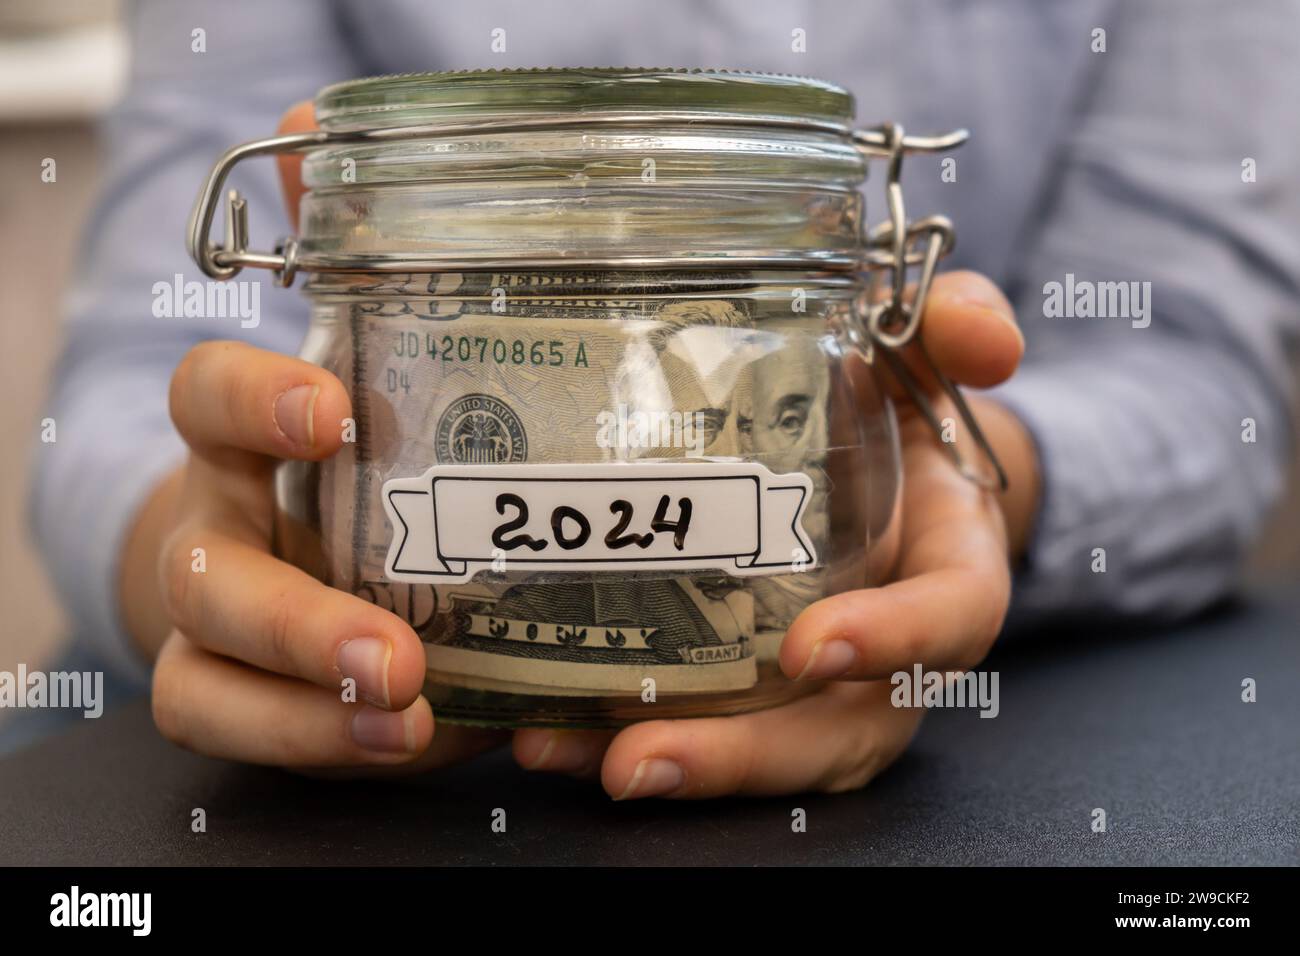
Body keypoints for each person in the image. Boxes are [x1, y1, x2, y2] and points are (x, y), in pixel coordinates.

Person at [24, 0, 1300, 798]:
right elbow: (146, 362)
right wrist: (193, 557)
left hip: (1033, 714)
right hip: (311, 752)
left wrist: (950, 477)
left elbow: (1197, 359)